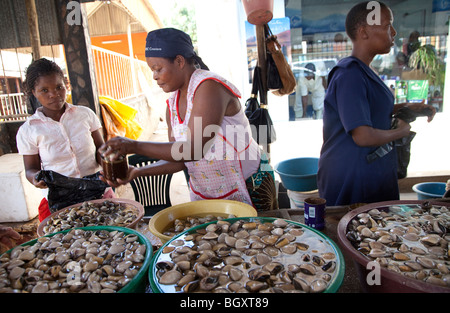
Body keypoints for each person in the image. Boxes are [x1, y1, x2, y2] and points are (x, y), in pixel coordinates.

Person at [100, 28, 278, 211]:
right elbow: (179, 159)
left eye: (158, 68)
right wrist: (137, 172)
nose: (154, 76)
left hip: (251, 187)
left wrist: (133, 145)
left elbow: (195, 149)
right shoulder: (172, 104)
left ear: (179, 61)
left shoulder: (209, 87)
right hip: (207, 194)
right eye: (152, 70)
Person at [317, 1, 436, 206]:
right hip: (353, 177)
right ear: (364, 31)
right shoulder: (350, 74)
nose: (394, 32)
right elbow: (362, 136)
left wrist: (405, 108)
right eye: (387, 25)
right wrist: (401, 132)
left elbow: (368, 110)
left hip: (369, 171)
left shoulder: (363, 71)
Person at [16, 58, 113, 221]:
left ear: (66, 86)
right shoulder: (29, 130)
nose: (54, 94)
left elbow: (101, 150)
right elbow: (30, 169)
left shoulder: (85, 114)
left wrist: (110, 166)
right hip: (59, 201)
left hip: (97, 192)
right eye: (44, 90)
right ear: (34, 92)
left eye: (59, 87)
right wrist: (36, 178)